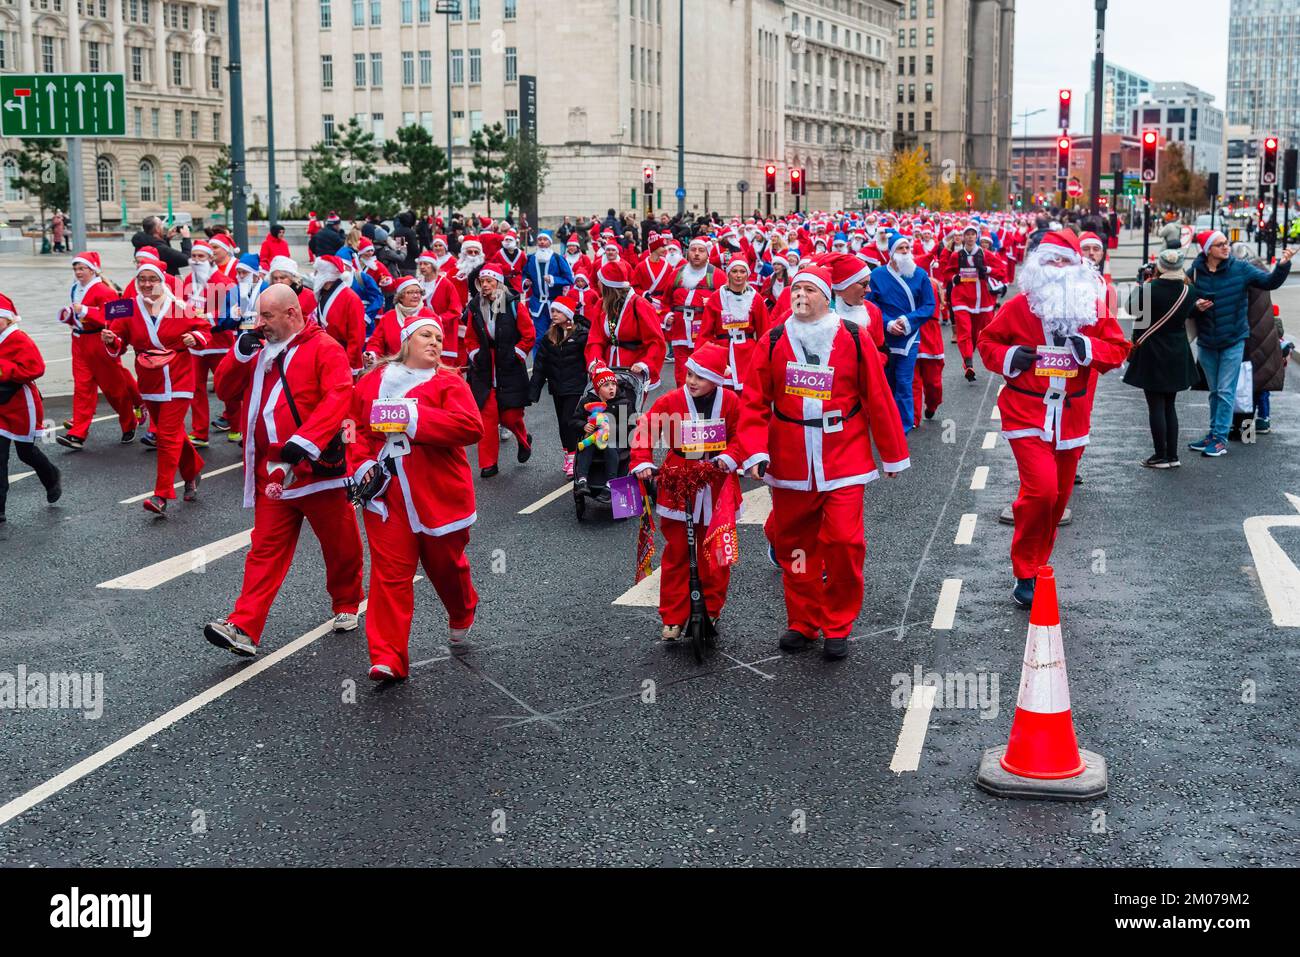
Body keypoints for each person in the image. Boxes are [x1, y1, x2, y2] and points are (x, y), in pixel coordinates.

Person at [735, 264, 911, 660]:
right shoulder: (775, 338)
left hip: (843, 452)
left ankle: (838, 623)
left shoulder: (852, 335)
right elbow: (754, 400)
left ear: (824, 296)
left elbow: (877, 396)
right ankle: (803, 620)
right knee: (795, 545)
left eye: (809, 290)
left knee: (846, 541)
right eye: (795, 289)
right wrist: (756, 450)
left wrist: (894, 453)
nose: (800, 295)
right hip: (791, 455)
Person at [205, 284, 363, 658]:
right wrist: (239, 354)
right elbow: (226, 389)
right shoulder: (257, 349)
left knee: (340, 545)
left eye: (268, 317)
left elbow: (340, 395)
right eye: (259, 316)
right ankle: (243, 625)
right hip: (270, 471)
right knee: (264, 550)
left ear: (292, 314)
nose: (260, 324)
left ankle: (346, 600)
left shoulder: (325, 347)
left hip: (315, 468)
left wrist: (305, 441)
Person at [978, 231, 1130, 607]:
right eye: (1050, 261)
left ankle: (1036, 561)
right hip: (1026, 411)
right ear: (1037, 266)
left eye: (1064, 261)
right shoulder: (1018, 307)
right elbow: (987, 344)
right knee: (1041, 490)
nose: (1057, 269)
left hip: (1071, 417)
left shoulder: (1092, 309)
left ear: (1078, 267)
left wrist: (1089, 348)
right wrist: (1013, 355)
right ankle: (1025, 569)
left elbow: (1118, 350)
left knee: (1058, 498)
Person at [347, 315, 483, 681]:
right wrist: (360, 466)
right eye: (426, 335)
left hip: (439, 494)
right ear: (406, 340)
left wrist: (413, 418)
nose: (436, 342)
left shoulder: (448, 382)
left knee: (446, 567)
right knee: (390, 575)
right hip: (386, 495)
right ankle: (388, 657)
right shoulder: (373, 380)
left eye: (439, 337)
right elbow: (353, 427)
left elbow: (471, 427)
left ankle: (463, 608)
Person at [630, 343, 743, 641]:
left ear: (717, 380)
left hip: (718, 482)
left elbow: (742, 435)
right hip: (678, 481)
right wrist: (642, 461)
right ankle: (673, 615)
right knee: (679, 551)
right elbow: (645, 429)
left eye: (700, 377)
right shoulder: (671, 400)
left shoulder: (731, 402)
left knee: (716, 552)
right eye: (690, 373)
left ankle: (712, 608)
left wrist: (731, 456)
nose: (692, 381)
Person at [101, 258, 209, 515]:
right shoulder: (129, 308)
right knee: (170, 433)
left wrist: (195, 337)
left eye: (152, 279)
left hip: (179, 378)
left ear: (163, 281)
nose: (147, 284)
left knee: (167, 436)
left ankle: (161, 495)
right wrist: (111, 339)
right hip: (149, 379)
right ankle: (193, 469)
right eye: (142, 279)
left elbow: (205, 329)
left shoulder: (179, 306)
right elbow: (119, 343)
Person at [1184, 230, 1294, 458]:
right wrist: (1196, 307)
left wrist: (1283, 265)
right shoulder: (1195, 272)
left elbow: (1269, 282)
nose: (1226, 247)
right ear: (1207, 251)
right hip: (1206, 342)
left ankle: (1220, 439)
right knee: (1215, 392)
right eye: (1220, 244)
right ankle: (1213, 433)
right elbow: (1184, 300)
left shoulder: (1240, 268)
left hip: (1233, 340)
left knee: (1225, 391)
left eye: (1227, 243)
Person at [55, 251, 142, 450]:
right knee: (82, 387)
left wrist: (85, 312)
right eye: (75, 268)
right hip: (78, 342)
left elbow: (112, 318)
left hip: (99, 341)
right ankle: (77, 434)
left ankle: (129, 422)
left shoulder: (105, 291)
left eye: (82, 268)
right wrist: (69, 317)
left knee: (114, 389)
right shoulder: (76, 288)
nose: (78, 272)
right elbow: (79, 315)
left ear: (93, 269)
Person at [1123, 247, 1200, 468]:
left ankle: (1160, 455)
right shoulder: (1189, 291)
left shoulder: (1150, 288)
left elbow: (1131, 309)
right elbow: (1189, 312)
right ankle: (1172, 455)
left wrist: (1143, 284)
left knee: (1155, 405)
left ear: (1159, 266)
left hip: (1152, 350)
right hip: (1177, 350)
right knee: (1170, 405)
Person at [463, 266, 535, 478]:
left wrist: (517, 355)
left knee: (510, 415)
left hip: (509, 364)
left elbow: (528, 335)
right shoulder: (476, 305)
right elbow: (469, 336)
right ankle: (488, 463)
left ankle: (523, 439)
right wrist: (476, 354)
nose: (485, 285)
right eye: (482, 281)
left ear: (498, 283)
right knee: (488, 415)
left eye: (489, 281)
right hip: (485, 366)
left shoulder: (511, 303)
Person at [0, 294, 62, 523]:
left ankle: (51, 475)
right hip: (0, 407)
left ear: (8, 320)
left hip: (20, 405)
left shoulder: (19, 339)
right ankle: (0, 509)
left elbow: (36, 368)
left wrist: (3, 369)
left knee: (25, 452)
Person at [869, 233, 936, 433]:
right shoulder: (878, 275)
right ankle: (887, 419)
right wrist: (887, 323)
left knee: (905, 381)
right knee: (887, 381)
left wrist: (908, 321)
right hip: (885, 336)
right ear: (891, 253)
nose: (906, 252)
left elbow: (929, 305)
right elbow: (871, 304)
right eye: (901, 248)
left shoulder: (920, 274)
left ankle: (904, 424)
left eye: (907, 248)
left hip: (910, 335)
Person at [184, 236, 242, 448]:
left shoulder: (225, 282)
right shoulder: (189, 281)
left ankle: (237, 427)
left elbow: (234, 312)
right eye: (194, 256)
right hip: (196, 345)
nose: (197, 260)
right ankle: (200, 432)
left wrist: (207, 315)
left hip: (220, 344)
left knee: (228, 388)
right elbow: (183, 308)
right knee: (195, 389)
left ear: (210, 259)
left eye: (201, 256)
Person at [1228, 243, 1289, 440]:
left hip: (1248, 337)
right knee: (1254, 387)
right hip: (1264, 337)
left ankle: (1241, 430)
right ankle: (1249, 429)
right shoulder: (1260, 272)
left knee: (1242, 386)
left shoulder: (1244, 275)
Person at [529, 294, 590, 477]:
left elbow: (589, 357)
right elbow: (540, 365)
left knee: (568, 421)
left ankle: (574, 458)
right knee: (562, 424)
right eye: (553, 311)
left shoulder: (580, 334)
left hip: (575, 386)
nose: (554, 314)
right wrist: (533, 390)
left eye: (557, 311)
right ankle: (568, 455)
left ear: (567, 314)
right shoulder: (550, 337)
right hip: (557, 387)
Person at [585, 260, 667, 392]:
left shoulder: (639, 305)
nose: (597, 283)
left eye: (600, 280)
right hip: (607, 370)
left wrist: (644, 363)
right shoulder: (601, 305)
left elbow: (656, 341)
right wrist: (596, 362)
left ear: (608, 286)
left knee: (626, 410)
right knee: (606, 410)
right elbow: (595, 338)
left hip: (632, 371)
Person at [695, 256, 771, 391]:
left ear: (747, 274)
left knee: (747, 393)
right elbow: (705, 332)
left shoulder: (756, 298)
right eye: (734, 271)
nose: (738, 275)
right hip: (722, 352)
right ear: (728, 273)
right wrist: (700, 359)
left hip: (747, 353)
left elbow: (764, 332)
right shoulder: (716, 297)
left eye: (742, 271)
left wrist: (765, 359)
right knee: (723, 394)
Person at [944, 225, 1006, 382]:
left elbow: (1002, 272)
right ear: (963, 237)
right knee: (964, 331)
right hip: (961, 299)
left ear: (976, 236)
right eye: (967, 234)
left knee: (977, 333)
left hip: (983, 301)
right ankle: (968, 363)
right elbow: (948, 273)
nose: (970, 237)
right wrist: (954, 278)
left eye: (973, 234)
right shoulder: (956, 255)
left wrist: (988, 269)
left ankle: (970, 355)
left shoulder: (986, 254)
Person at [570, 363, 635, 498]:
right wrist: (583, 425)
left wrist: (611, 428)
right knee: (585, 447)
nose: (611, 388)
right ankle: (582, 480)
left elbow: (628, 427)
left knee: (609, 447)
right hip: (594, 438)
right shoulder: (588, 403)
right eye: (606, 385)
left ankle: (610, 483)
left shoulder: (623, 403)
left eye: (613, 384)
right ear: (598, 389)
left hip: (617, 440)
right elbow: (574, 420)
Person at [663, 238, 725, 366]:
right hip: (680, 334)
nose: (696, 253)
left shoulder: (717, 275)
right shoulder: (676, 274)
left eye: (701, 250)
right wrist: (667, 316)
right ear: (687, 253)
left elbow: (727, 303)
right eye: (693, 250)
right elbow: (665, 302)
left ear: (707, 254)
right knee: (682, 374)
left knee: (704, 372)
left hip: (705, 334)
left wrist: (713, 303)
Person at [311, 255, 367, 379]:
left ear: (327, 275)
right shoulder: (322, 294)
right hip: (327, 355)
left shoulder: (351, 298)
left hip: (344, 359)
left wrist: (347, 362)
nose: (314, 275)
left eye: (318, 272)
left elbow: (357, 336)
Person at [365, 276, 439, 370]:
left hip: (422, 371)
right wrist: (372, 355)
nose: (416, 296)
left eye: (418, 292)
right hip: (393, 371)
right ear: (400, 296)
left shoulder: (430, 317)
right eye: (410, 292)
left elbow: (437, 345)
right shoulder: (388, 317)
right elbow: (376, 341)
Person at [523, 230, 574, 344]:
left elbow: (569, 279)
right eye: (540, 240)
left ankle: (555, 361)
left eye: (545, 240)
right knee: (539, 338)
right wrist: (525, 281)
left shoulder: (557, 258)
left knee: (556, 337)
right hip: (537, 305)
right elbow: (525, 273)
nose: (542, 242)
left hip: (555, 304)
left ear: (550, 242)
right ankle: (538, 361)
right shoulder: (531, 258)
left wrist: (553, 280)